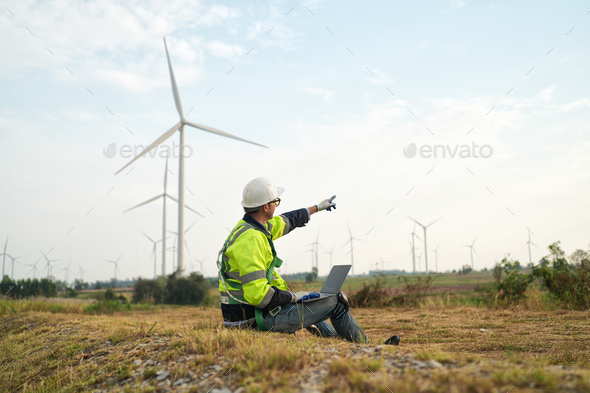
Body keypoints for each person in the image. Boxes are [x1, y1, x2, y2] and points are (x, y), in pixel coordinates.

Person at [217, 177, 400, 345]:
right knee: (336, 301)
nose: (277, 205)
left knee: (311, 303)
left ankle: (335, 341)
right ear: (266, 207)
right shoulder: (252, 240)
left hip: (242, 315)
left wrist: (317, 208)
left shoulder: (248, 228)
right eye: (276, 202)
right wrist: (295, 297)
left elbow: (287, 220)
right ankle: (367, 348)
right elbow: (259, 296)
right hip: (254, 320)